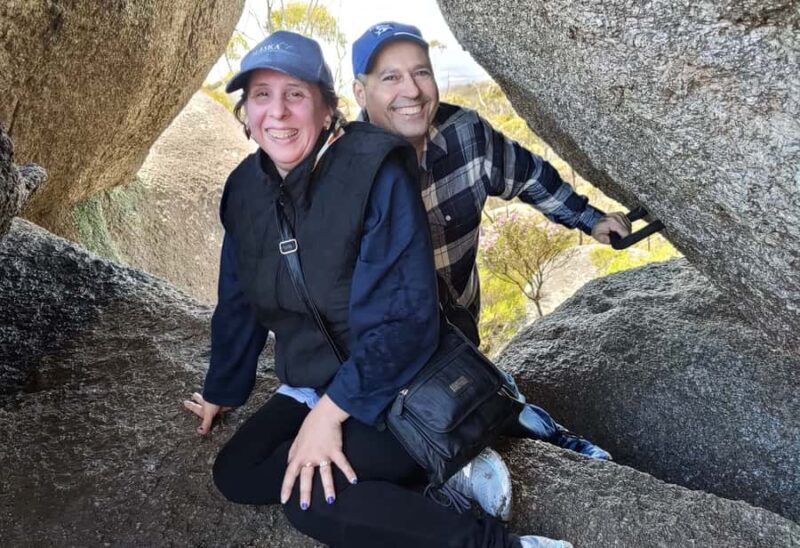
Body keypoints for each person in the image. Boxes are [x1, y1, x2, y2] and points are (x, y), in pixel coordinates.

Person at [184, 30, 573, 548]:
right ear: (247, 112)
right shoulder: (244, 189)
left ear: (327, 108)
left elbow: (406, 320)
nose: (277, 112)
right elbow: (238, 297)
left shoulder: (374, 172)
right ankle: (439, 474)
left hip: (399, 379)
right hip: (315, 378)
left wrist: (328, 416)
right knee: (236, 473)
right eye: (261, 95)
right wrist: (222, 388)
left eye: (295, 94)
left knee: (312, 500)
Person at [351, 21, 625, 459]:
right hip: (388, 348)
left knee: (480, 394)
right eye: (390, 77)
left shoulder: (465, 134)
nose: (412, 90)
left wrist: (589, 219)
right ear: (360, 92)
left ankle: (552, 439)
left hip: (460, 328)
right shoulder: (341, 169)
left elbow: (529, 175)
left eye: (421, 73)